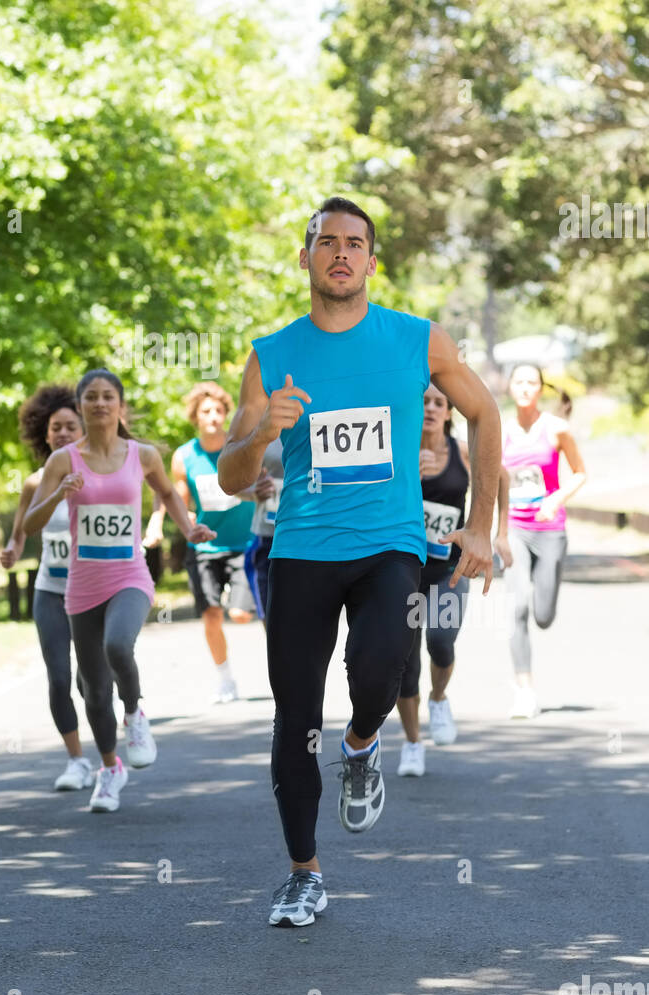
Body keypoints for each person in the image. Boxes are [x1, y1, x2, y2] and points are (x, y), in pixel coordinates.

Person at [218, 197, 500, 927]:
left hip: (390, 544)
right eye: (326, 242)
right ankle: (302, 873)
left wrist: (479, 527)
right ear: (304, 257)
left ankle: (364, 742)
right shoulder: (271, 354)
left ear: (371, 262)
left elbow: (484, 413)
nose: (340, 253)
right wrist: (259, 437)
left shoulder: (418, 340)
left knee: (381, 668)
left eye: (354, 243)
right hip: (304, 546)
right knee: (293, 716)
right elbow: (230, 475)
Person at [24, 369, 214, 813]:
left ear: (120, 407)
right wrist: (58, 495)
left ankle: (135, 713)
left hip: (129, 575)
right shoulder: (63, 460)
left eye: (108, 396)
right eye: (90, 397)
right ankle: (110, 769)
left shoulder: (143, 456)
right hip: (81, 584)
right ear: (81, 405)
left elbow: (168, 494)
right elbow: (32, 522)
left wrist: (189, 529)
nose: (99, 403)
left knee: (117, 645)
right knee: (91, 690)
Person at [0, 385, 163, 791]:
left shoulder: (110, 468)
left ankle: (116, 740)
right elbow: (22, 531)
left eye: (68, 426)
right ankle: (77, 760)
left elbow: (147, 495)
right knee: (58, 676)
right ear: (45, 434)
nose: (61, 433)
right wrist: (10, 549)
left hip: (97, 584)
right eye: (54, 428)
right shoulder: (38, 480)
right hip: (52, 589)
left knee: (91, 681)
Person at [394, 383, 511, 776]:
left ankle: (439, 697)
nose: (430, 408)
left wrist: (499, 534)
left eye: (439, 403)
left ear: (448, 412)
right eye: (423, 401)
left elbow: (502, 477)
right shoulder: (396, 446)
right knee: (404, 664)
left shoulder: (461, 451)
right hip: (402, 569)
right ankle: (412, 743)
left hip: (449, 568)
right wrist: (405, 470)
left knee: (441, 642)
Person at [502, 362, 586, 719]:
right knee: (517, 607)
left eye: (531, 382)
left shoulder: (557, 429)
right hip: (515, 530)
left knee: (543, 615)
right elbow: (491, 482)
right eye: (518, 381)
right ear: (509, 387)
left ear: (540, 388)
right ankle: (524, 690)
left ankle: (544, 600)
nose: (524, 387)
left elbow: (580, 473)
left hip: (550, 532)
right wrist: (497, 531)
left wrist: (555, 499)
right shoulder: (500, 430)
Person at [167, 383, 257, 703]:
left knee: (242, 615)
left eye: (219, 411)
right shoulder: (184, 457)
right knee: (212, 615)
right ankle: (225, 677)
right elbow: (180, 502)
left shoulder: (239, 447)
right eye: (206, 411)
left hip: (244, 543)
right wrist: (187, 520)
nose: (214, 417)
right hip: (205, 547)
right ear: (195, 416)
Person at [243, 437, 283, 626]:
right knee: (271, 614)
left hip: (312, 534)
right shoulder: (262, 429)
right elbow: (232, 480)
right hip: (268, 536)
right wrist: (254, 491)